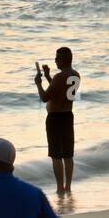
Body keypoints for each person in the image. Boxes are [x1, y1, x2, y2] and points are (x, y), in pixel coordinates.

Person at [35, 48, 80, 196]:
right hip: (68, 115)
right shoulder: (75, 75)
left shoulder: (60, 77)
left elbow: (45, 97)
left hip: (55, 118)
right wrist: (49, 77)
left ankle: (60, 188)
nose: (55, 61)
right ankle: (68, 187)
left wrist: (38, 83)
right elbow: (61, 91)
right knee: (68, 155)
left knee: (56, 155)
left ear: (62, 60)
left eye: (56, 58)